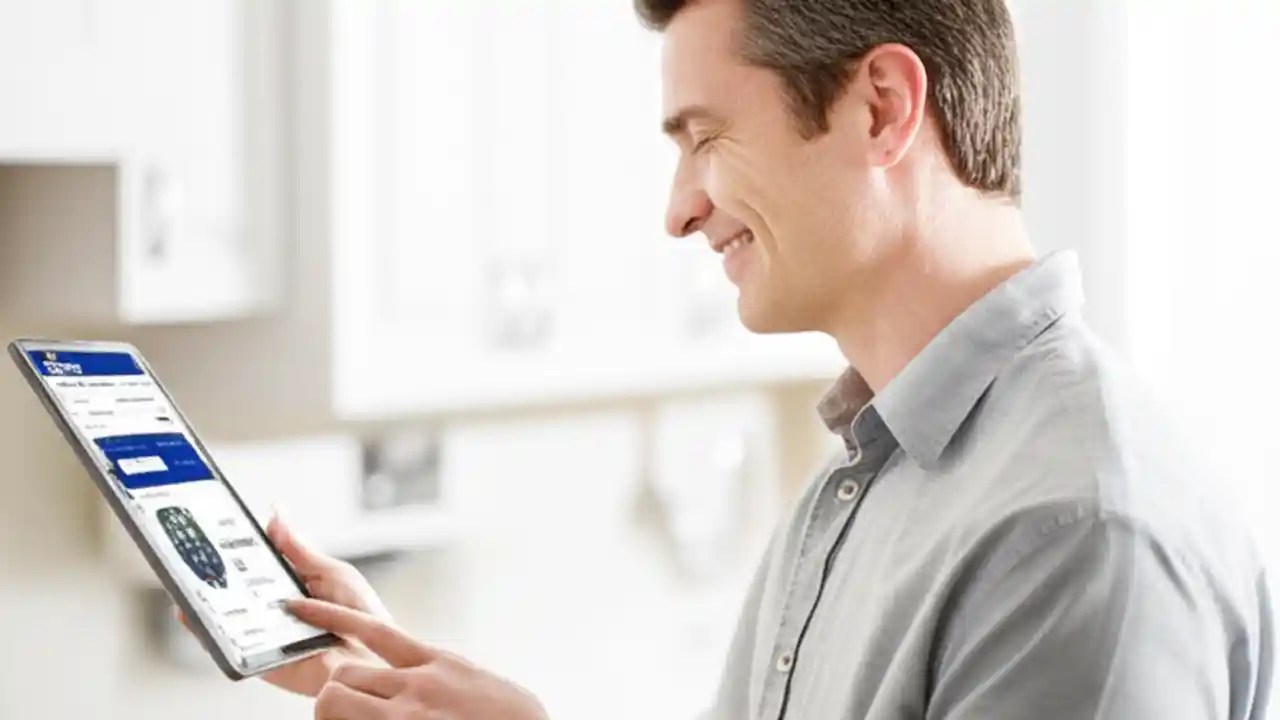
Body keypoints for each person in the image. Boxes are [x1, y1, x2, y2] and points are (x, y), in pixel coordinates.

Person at [253, 0, 1276, 717]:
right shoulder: (862, 475)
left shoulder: (1076, 532)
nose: (679, 208)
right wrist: (404, 684)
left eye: (705, 138)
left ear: (879, 107)